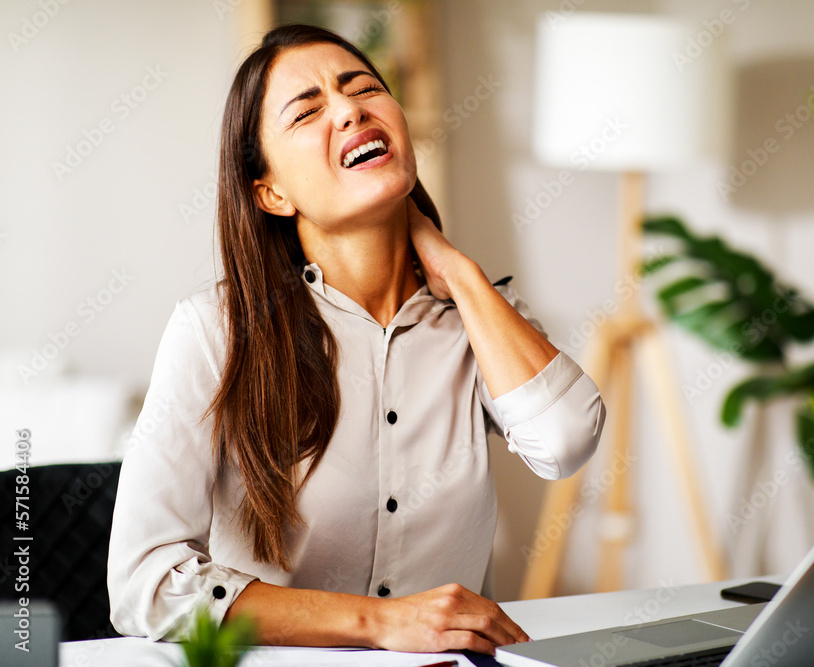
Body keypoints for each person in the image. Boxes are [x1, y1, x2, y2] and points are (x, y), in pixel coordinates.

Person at [107, 23, 605, 656]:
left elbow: (565, 442)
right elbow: (143, 584)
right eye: (307, 111)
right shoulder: (215, 331)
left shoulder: (478, 318)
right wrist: (380, 622)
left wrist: (457, 270)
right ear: (272, 192)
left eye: (363, 87)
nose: (349, 110)